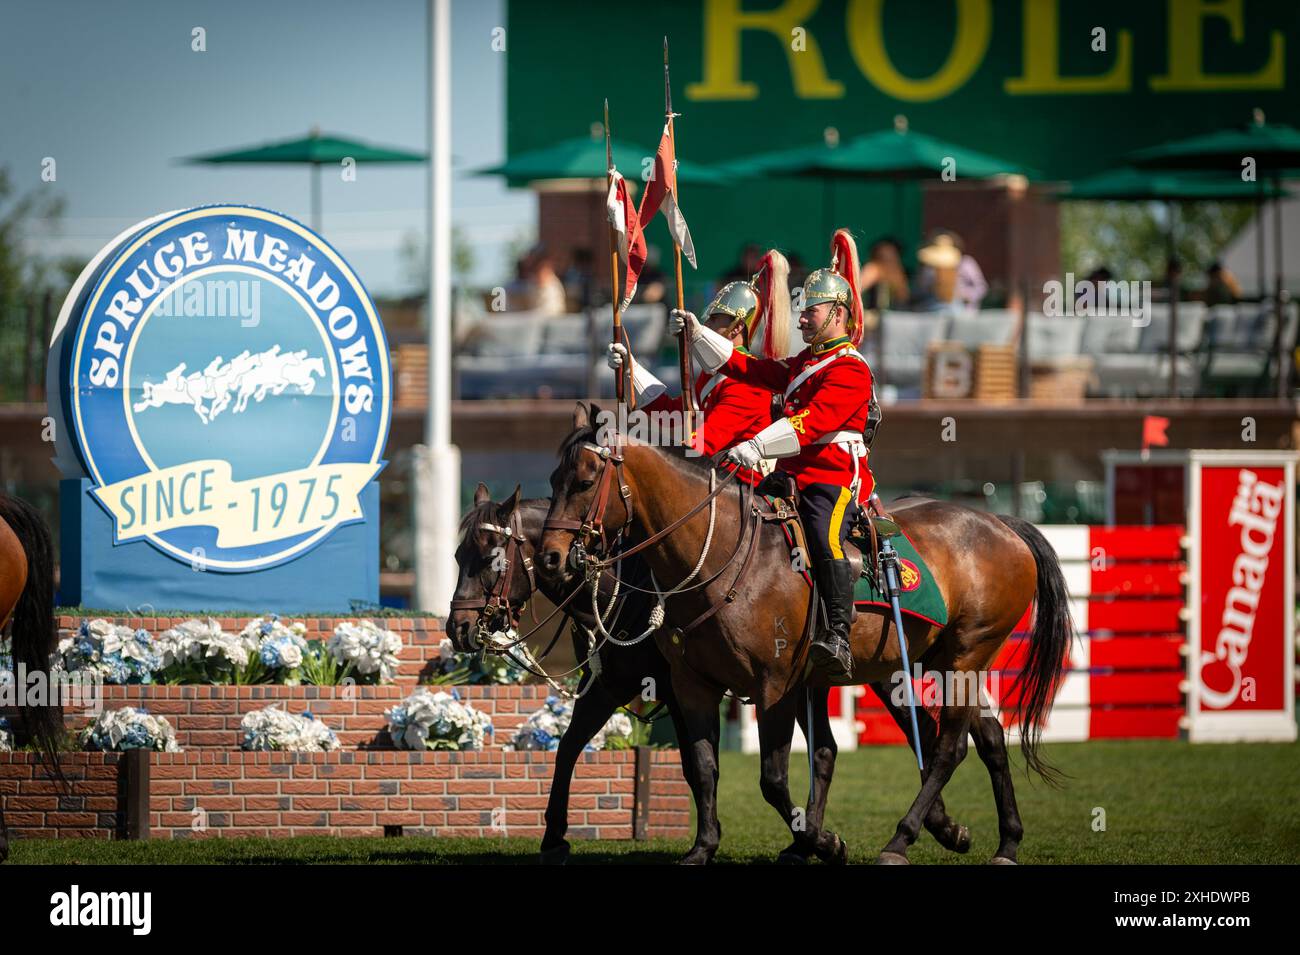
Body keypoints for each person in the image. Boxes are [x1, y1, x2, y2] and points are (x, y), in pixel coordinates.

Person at [673, 229, 879, 682]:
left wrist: (757, 445)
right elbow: (748, 367)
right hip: (789, 475)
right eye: (802, 312)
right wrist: (697, 334)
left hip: (833, 476)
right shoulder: (802, 364)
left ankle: (839, 634)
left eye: (813, 312)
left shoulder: (849, 367)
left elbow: (813, 423)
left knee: (824, 534)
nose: (802, 320)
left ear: (839, 314)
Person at [607, 250, 791, 483]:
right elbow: (676, 414)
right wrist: (629, 369)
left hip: (744, 487)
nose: (706, 324)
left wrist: (643, 456)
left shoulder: (747, 382)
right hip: (716, 477)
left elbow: (705, 442)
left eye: (714, 319)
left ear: (736, 328)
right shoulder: (714, 373)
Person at [916, 231, 986, 315]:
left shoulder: (966, 263)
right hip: (934, 307)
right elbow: (921, 289)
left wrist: (964, 295)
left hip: (964, 311)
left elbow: (981, 287)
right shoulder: (928, 269)